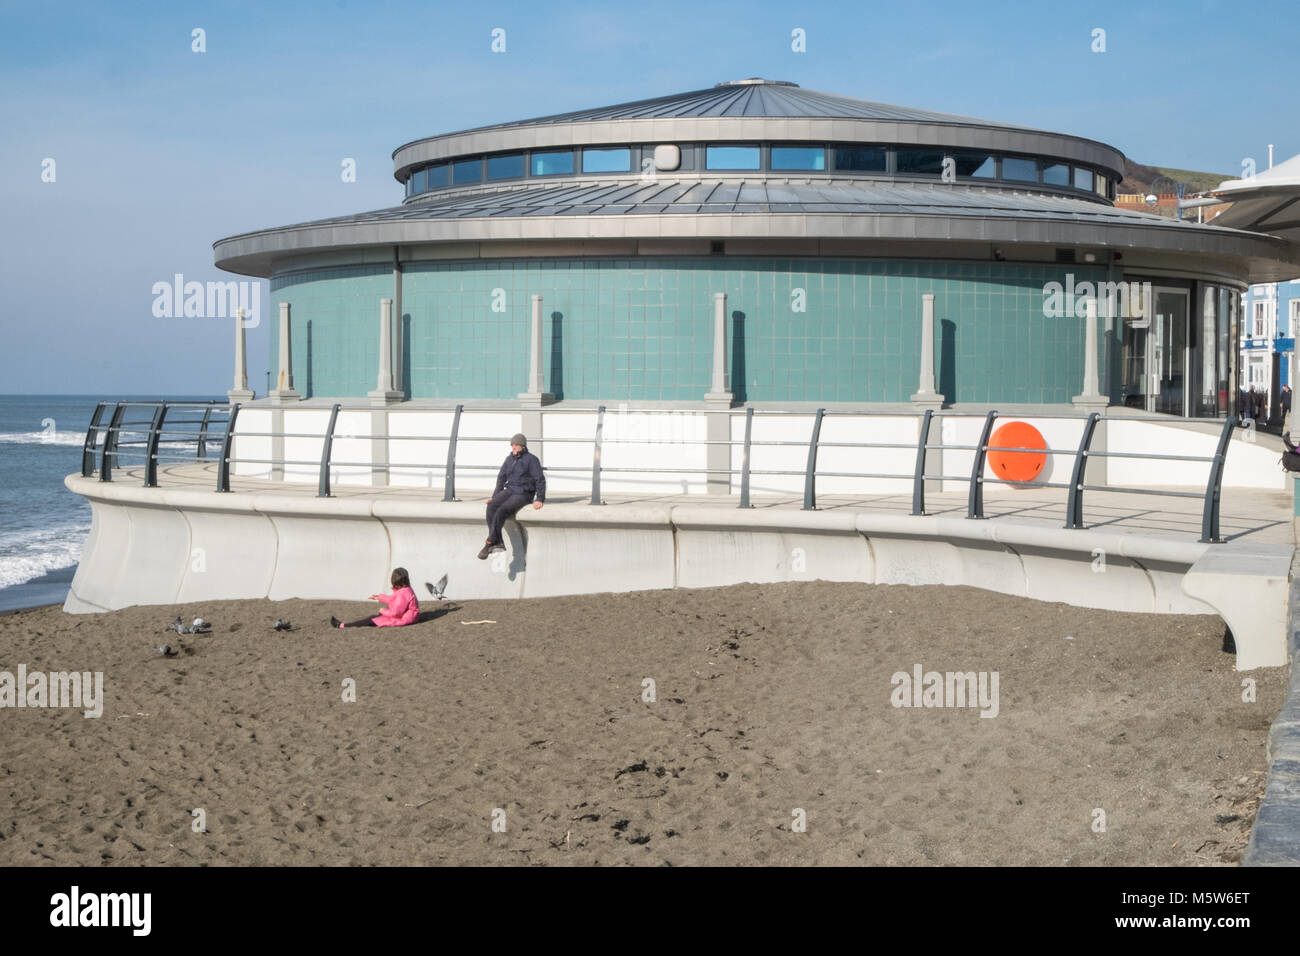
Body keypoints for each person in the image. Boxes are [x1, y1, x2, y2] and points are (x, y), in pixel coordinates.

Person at [480, 433, 545, 560]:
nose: (513, 447)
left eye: (516, 445)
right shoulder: (509, 459)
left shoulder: (531, 460)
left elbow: (540, 480)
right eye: (512, 445)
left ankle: (490, 542)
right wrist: (495, 496)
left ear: (523, 446)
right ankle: (497, 541)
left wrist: (539, 498)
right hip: (510, 490)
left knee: (502, 510)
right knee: (492, 506)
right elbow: (501, 478)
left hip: (524, 493)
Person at [330, 567, 419, 629]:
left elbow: (396, 612)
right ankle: (343, 625)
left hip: (405, 619)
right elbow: (393, 600)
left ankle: (342, 625)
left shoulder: (402, 594)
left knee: (371, 619)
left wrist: (383, 610)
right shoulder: (406, 589)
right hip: (409, 616)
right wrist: (379, 597)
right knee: (374, 618)